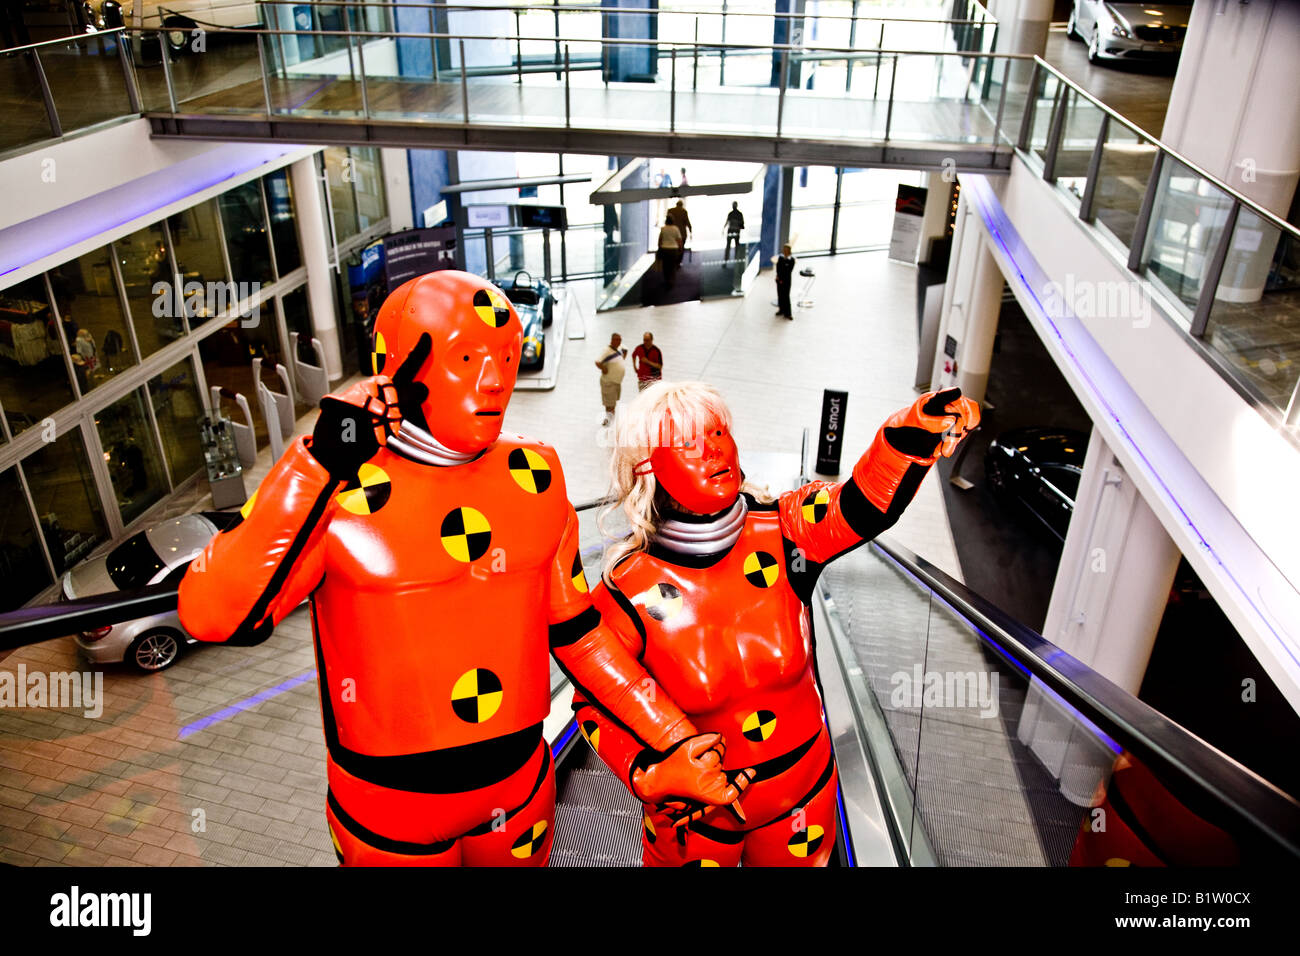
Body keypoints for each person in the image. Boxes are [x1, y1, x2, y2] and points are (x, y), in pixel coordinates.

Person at [178, 272, 742, 867]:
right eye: (467, 357)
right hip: (389, 809)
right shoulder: (335, 487)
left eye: (506, 356)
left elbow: (579, 634)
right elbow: (212, 614)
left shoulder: (536, 472)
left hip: (520, 789)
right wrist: (314, 465)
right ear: (398, 366)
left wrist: (675, 739)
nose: (496, 379)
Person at [574, 381, 979, 866]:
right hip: (695, 817)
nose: (714, 449)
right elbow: (593, 703)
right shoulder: (628, 590)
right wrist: (649, 773)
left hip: (802, 796)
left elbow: (862, 503)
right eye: (688, 443)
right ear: (647, 468)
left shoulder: (786, 529)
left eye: (719, 432)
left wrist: (910, 434)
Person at [595, 332, 628, 425]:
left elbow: (625, 349)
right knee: (610, 404)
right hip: (609, 382)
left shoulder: (619, 348)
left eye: (620, 340)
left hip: (616, 382)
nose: (619, 342)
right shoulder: (607, 351)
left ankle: (609, 419)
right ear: (612, 340)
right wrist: (604, 369)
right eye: (617, 340)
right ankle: (610, 421)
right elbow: (597, 362)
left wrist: (622, 359)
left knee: (611, 403)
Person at [657, 215, 683, 285]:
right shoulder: (676, 229)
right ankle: (671, 280)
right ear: (673, 221)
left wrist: (659, 248)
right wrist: (681, 248)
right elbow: (679, 240)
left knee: (665, 265)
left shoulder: (663, 228)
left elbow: (660, 239)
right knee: (672, 265)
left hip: (664, 249)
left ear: (666, 221)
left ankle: (667, 279)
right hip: (673, 249)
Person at [775, 243, 795, 318]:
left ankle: (788, 313)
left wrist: (782, 279)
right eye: (784, 249)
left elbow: (788, 271)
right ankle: (781, 310)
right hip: (779, 279)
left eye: (786, 250)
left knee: (786, 296)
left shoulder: (791, 260)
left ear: (789, 251)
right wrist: (778, 277)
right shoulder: (780, 258)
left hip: (786, 281)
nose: (785, 251)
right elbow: (778, 268)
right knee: (780, 295)